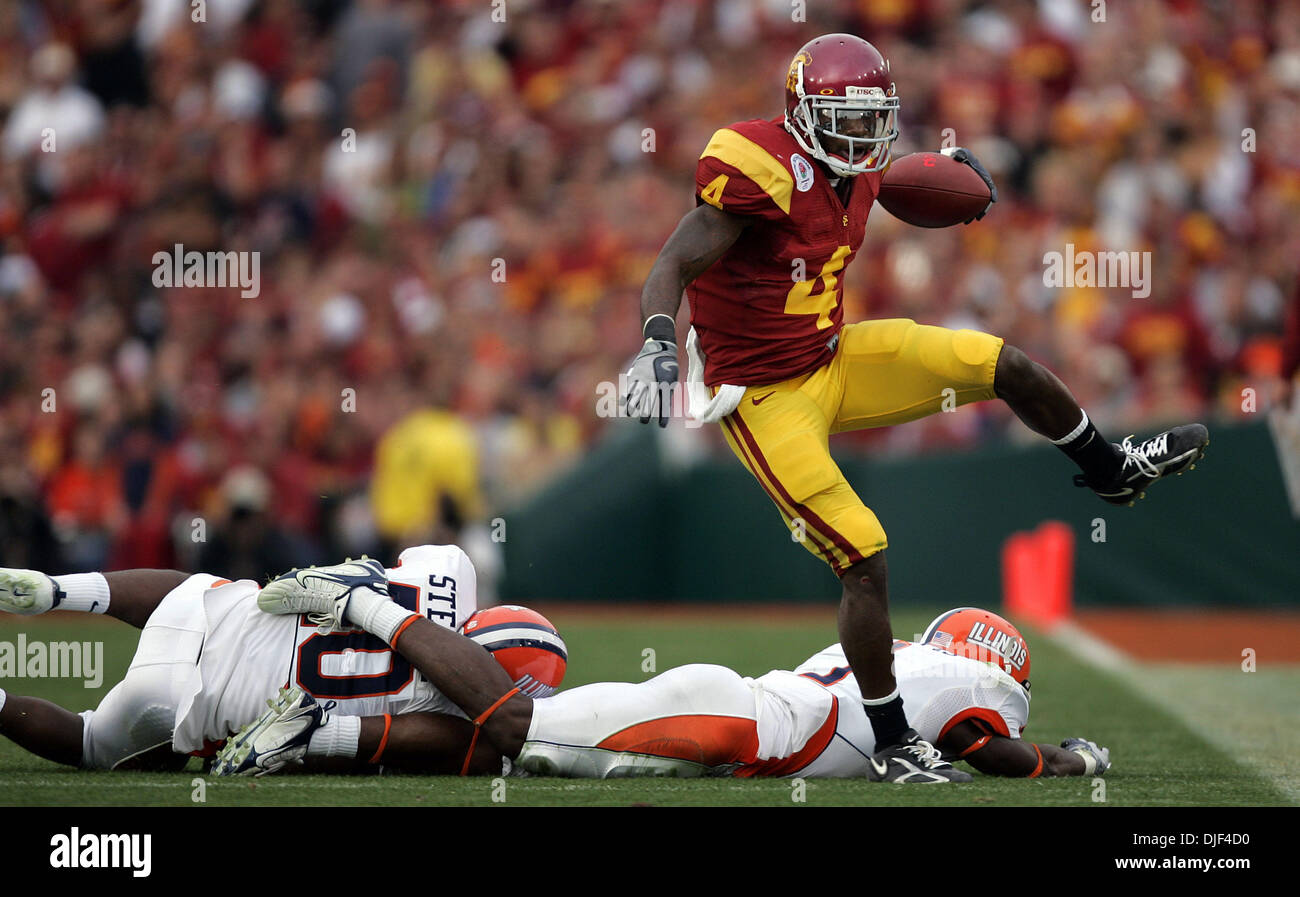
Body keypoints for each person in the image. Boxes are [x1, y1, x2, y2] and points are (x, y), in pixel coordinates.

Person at [620, 32, 1205, 781]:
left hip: (834, 357)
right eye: (848, 118)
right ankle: (894, 740)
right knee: (864, 556)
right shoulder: (756, 167)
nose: (864, 135)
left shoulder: (863, 174)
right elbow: (672, 261)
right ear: (802, 116)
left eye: (875, 117)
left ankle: (1110, 467)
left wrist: (961, 184)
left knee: (998, 361)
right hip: (763, 396)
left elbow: (914, 185)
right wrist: (659, 341)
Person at [232, 562, 1109, 782]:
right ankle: (367, 604)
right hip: (733, 722)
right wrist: (1072, 759)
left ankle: (323, 729)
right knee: (517, 729)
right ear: (1004, 669)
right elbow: (989, 750)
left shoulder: (904, 660)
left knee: (518, 753)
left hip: (737, 706)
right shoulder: (975, 687)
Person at [0, 547, 523, 773]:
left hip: (221, 613)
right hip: (194, 705)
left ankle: (59, 589)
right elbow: (383, 745)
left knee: (200, 591)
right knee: (91, 742)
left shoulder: (451, 570)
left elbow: (388, 564)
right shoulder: (462, 727)